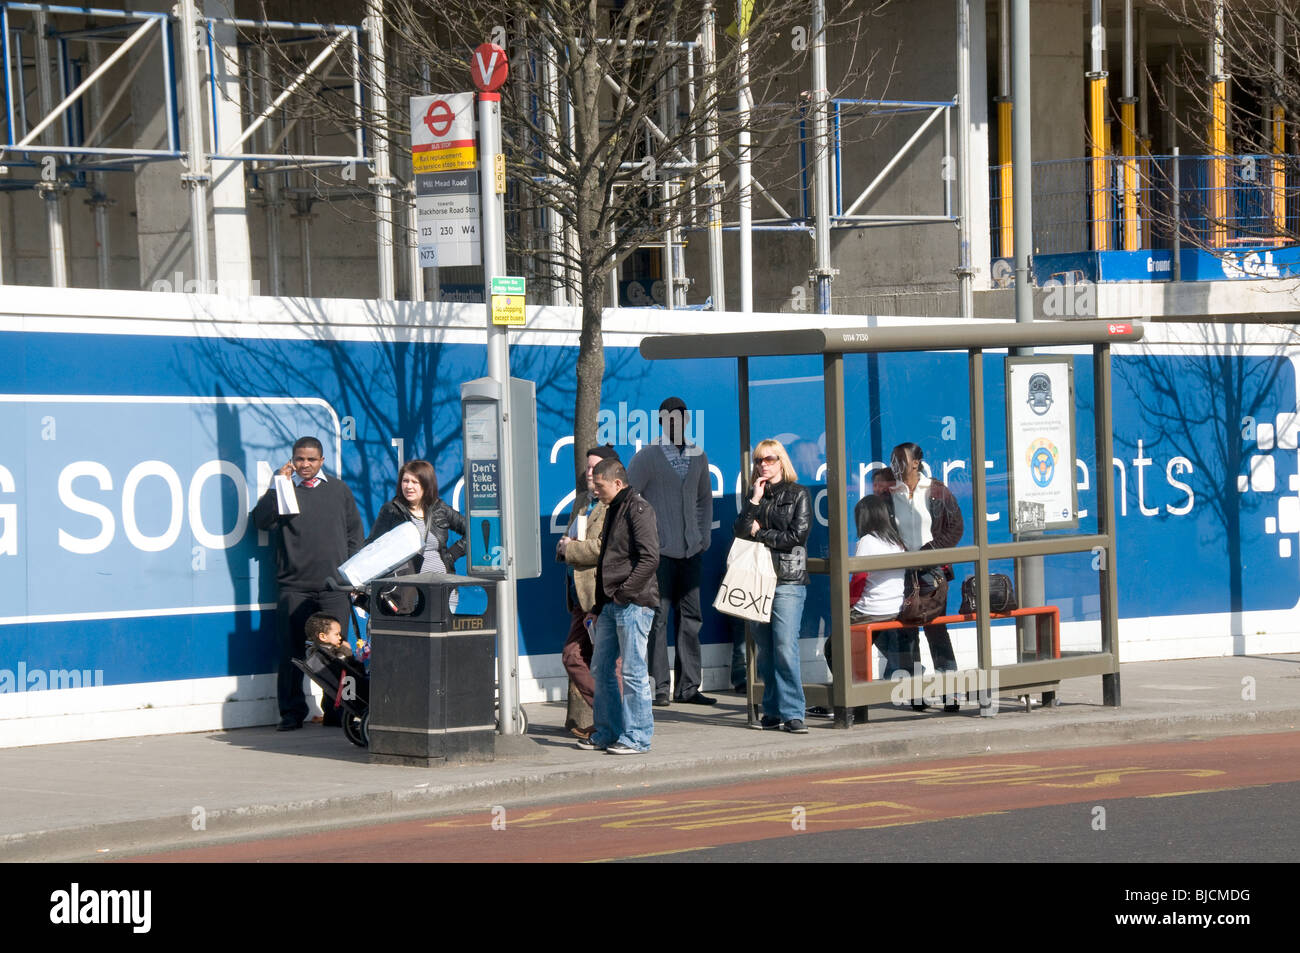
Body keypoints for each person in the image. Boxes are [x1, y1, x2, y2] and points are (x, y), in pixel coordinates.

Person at [252, 436, 364, 731]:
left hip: (333, 589)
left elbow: (355, 535)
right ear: (292, 460)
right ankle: (291, 713)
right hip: (294, 587)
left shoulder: (339, 491)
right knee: (292, 653)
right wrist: (278, 485)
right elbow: (260, 522)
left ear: (321, 461)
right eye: (299, 459)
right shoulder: (284, 489)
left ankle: (336, 712)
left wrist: (351, 578)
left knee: (338, 654)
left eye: (311, 460)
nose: (305, 465)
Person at [628, 396, 715, 707]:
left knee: (692, 617)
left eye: (682, 418)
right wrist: (646, 539)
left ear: (687, 421)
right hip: (659, 553)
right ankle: (659, 687)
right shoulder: (647, 457)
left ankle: (689, 687)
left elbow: (705, 499)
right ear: (662, 422)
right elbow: (629, 499)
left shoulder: (698, 455)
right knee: (658, 619)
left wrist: (702, 536)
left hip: (692, 550)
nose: (676, 423)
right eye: (670, 418)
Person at [577, 457, 660, 754]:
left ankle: (638, 737)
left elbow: (650, 557)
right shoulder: (613, 508)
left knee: (634, 671)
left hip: (633, 603)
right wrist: (600, 605)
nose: (596, 490)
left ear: (617, 482)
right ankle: (608, 731)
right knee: (601, 668)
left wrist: (624, 593)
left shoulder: (638, 508)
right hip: (613, 603)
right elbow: (606, 561)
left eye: (599, 485)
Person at [734, 438, 812, 733]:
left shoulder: (798, 494)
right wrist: (754, 501)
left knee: (784, 646)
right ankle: (772, 709)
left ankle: (793, 712)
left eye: (769, 459)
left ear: (781, 462)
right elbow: (740, 531)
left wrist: (762, 532)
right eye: (758, 460)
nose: (763, 465)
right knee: (765, 649)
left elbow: (796, 536)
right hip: (757, 579)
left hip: (788, 579)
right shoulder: (756, 494)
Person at [888, 441, 964, 712]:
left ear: (916, 463)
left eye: (900, 459)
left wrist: (929, 551)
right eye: (892, 459)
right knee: (907, 632)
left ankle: (949, 691)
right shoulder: (890, 493)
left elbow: (956, 527)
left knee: (936, 628)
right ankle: (915, 692)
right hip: (902, 571)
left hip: (930, 570)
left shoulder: (936, 490)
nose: (895, 464)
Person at [556, 445, 620, 739]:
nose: (590, 474)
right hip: (578, 596)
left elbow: (601, 548)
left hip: (600, 596)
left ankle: (614, 720)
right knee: (573, 657)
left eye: (595, 468)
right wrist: (564, 546)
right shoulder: (583, 501)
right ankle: (610, 717)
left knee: (608, 662)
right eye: (588, 468)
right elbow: (574, 537)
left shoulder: (615, 504)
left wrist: (571, 549)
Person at [824, 494, 907, 678]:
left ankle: (848, 693)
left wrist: (846, 604)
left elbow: (858, 582)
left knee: (832, 648)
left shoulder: (867, 541)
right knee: (868, 645)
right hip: (895, 609)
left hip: (871, 611)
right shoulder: (897, 541)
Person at [364, 459, 465, 575]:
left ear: (426, 484)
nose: (409, 486)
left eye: (414, 482)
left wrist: (452, 554)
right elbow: (372, 545)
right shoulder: (392, 510)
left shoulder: (439, 508)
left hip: (442, 586)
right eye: (405, 481)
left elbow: (472, 531)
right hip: (406, 589)